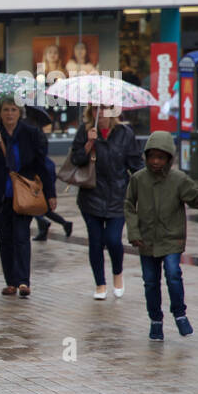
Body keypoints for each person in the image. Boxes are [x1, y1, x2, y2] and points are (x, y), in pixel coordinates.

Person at [126, 132, 198, 341]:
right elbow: (129, 205)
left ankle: (180, 313)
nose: (155, 161)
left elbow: (196, 198)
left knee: (173, 273)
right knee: (150, 282)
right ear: (146, 157)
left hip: (171, 238)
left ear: (169, 158)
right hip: (146, 240)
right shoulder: (138, 179)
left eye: (161, 157)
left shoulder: (178, 179)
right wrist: (134, 233)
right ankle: (156, 320)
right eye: (151, 156)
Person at [0, 99, 55, 297]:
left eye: (13, 110)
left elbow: (42, 164)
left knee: (21, 237)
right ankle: (10, 282)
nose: (9, 114)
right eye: (5, 110)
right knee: (4, 239)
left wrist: (50, 193)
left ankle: (23, 281)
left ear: (19, 113)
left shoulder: (31, 133)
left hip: (24, 194)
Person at [68, 102, 143, 299]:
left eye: (105, 107)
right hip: (91, 195)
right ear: (90, 111)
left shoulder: (125, 133)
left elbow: (136, 163)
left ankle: (117, 273)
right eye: (95, 108)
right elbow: (76, 160)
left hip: (118, 196)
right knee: (95, 241)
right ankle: (100, 284)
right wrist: (88, 144)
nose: (100, 112)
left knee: (112, 239)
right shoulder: (85, 132)